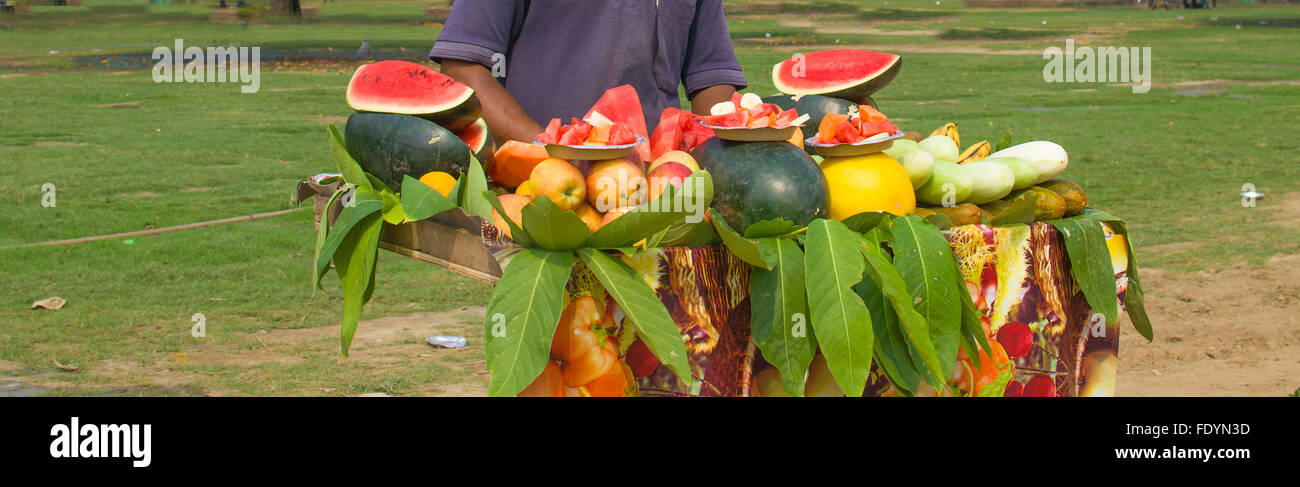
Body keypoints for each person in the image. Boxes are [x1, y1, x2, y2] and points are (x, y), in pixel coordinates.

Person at [429, 0, 746, 144]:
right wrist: (549, 150)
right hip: (539, 189)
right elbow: (464, 69)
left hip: (658, 190)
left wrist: (709, 153)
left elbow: (712, 77)